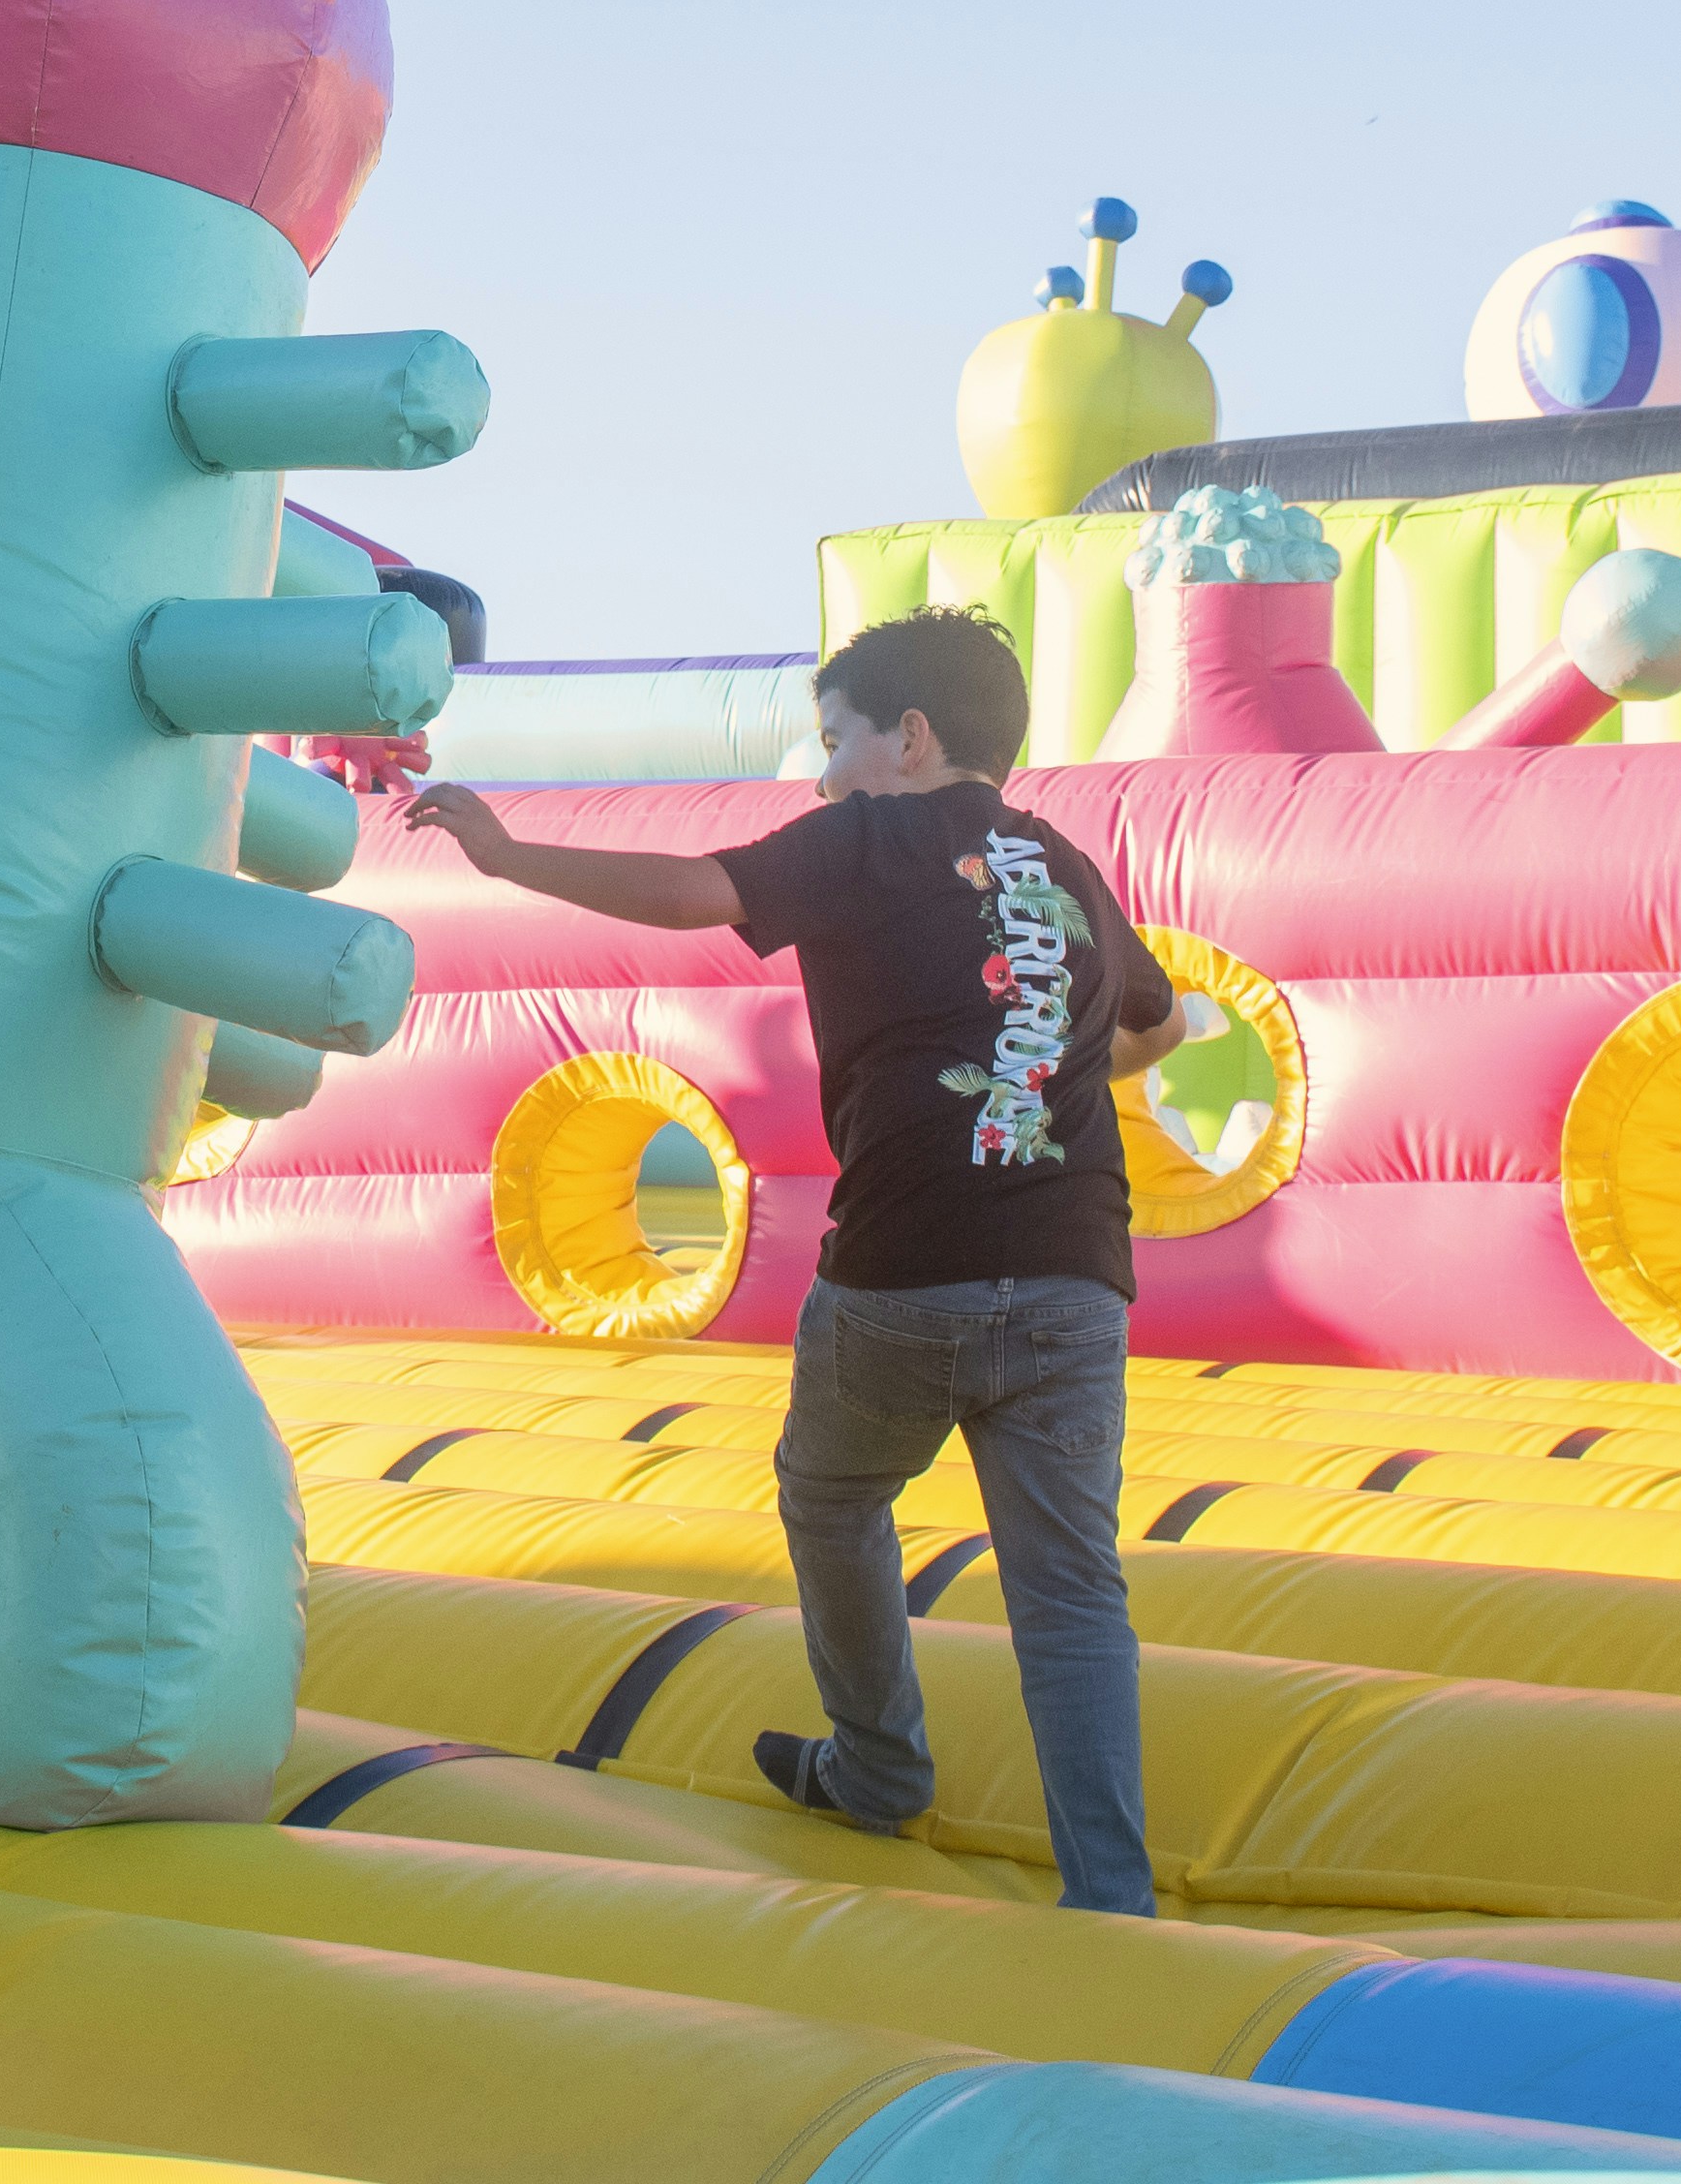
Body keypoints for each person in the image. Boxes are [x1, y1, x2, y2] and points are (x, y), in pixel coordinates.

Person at [402, 607, 1172, 1915]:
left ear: (910, 738)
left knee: (830, 1497)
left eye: (835, 740)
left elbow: (699, 893)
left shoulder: (870, 834)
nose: (822, 773)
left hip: (905, 1268)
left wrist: (506, 853)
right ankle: (1113, 1894)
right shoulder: (1067, 868)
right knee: (1071, 1591)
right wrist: (1042, 1055)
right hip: (1070, 1273)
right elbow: (1151, 1027)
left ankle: (878, 1770)